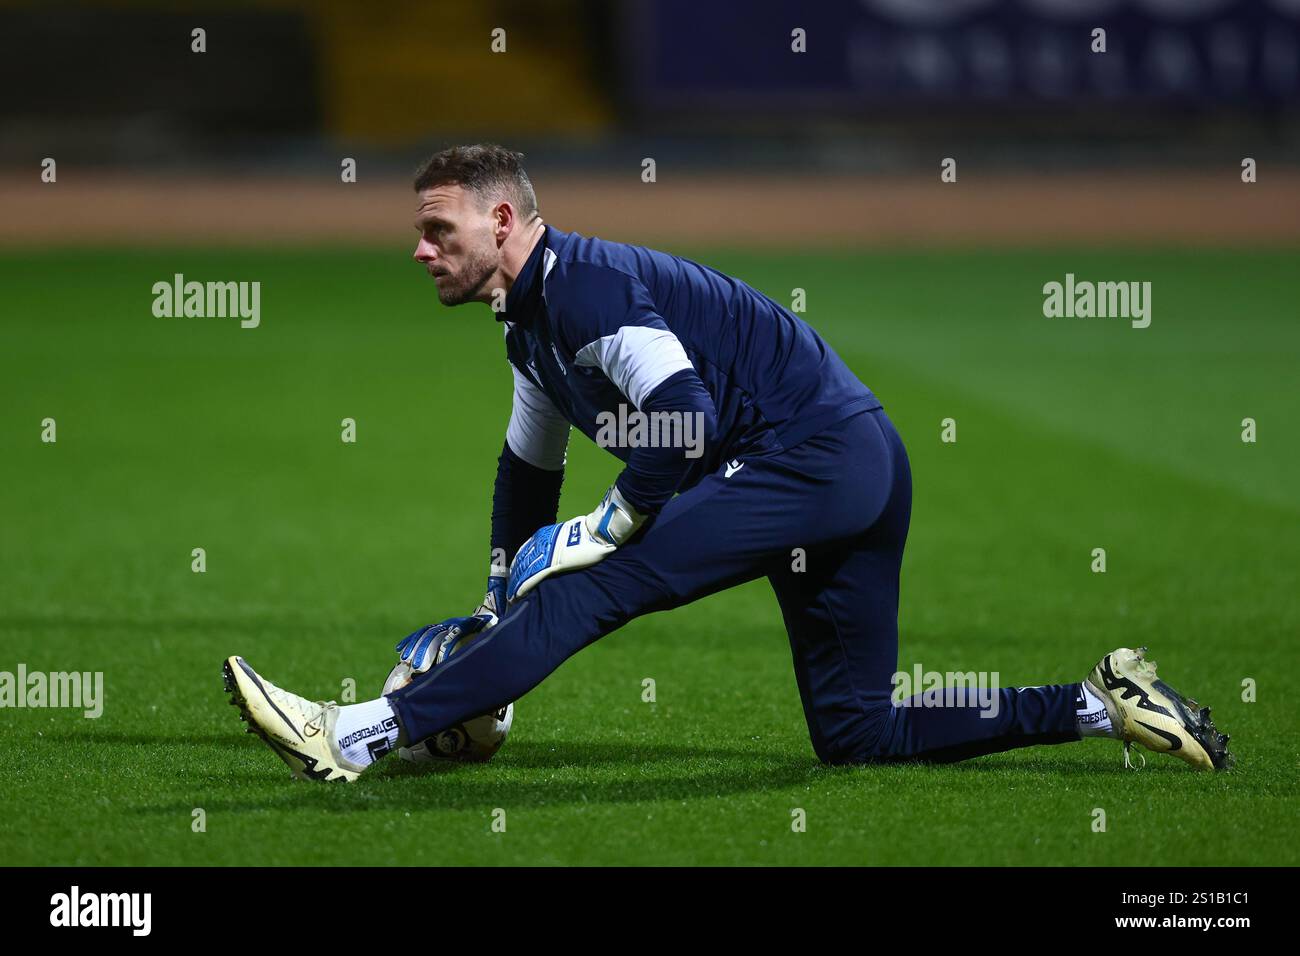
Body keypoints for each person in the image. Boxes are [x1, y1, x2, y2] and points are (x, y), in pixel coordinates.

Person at [222, 145, 1231, 781]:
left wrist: (608, 524)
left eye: (435, 230)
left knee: (591, 585)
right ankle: (1098, 703)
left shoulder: (585, 288)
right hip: (854, 462)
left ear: (500, 222)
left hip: (812, 460)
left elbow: (685, 418)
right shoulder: (531, 327)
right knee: (856, 731)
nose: (420, 250)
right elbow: (526, 473)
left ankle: (354, 733)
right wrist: (496, 596)